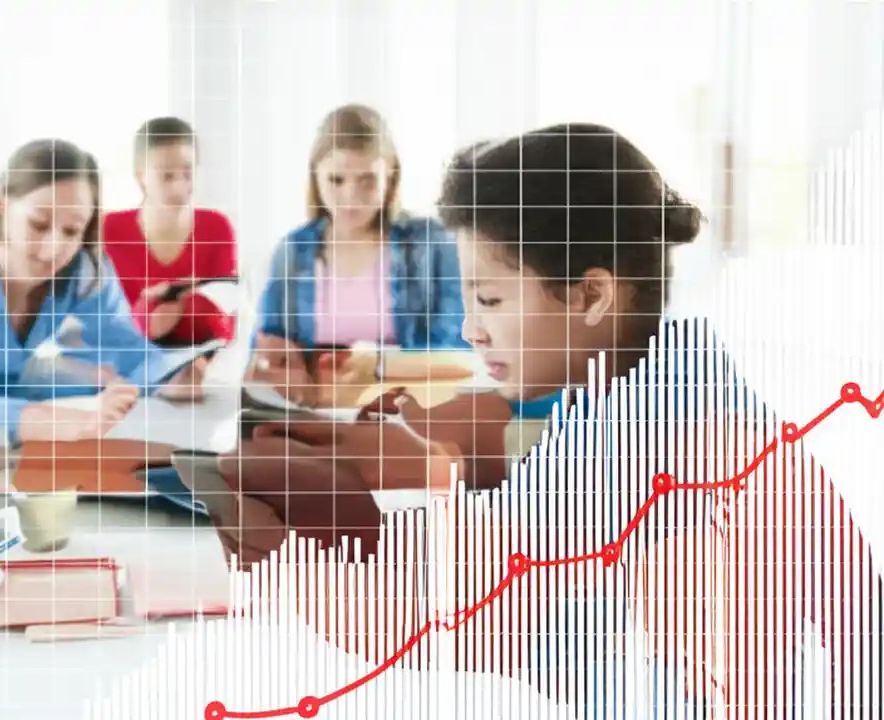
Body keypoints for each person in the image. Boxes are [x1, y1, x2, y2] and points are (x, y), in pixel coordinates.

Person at [214, 125, 882, 715]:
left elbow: (459, 619)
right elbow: (495, 537)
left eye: (492, 299)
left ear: (592, 294)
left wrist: (287, 569)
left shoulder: (656, 420)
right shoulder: (622, 384)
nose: (472, 331)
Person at [0, 139, 206, 465]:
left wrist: (172, 376)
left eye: (71, 230)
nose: (53, 249)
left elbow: (133, 353)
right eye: (38, 225)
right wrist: (74, 422)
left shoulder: (83, 272)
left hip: (15, 454)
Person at [247, 104, 468, 406]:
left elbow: (457, 350)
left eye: (368, 180)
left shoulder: (430, 244)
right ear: (316, 177)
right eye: (336, 180)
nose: (351, 197)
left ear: (390, 177)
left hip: (407, 410)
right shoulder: (292, 251)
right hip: (317, 411)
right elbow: (264, 348)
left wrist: (377, 369)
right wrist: (281, 368)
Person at [103, 117, 238, 346]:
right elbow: (102, 324)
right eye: (166, 176)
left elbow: (227, 316)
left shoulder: (217, 227)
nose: (178, 186)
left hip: (203, 359)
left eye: (187, 173)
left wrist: (183, 306)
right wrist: (146, 315)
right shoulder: (109, 230)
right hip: (131, 362)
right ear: (141, 176)